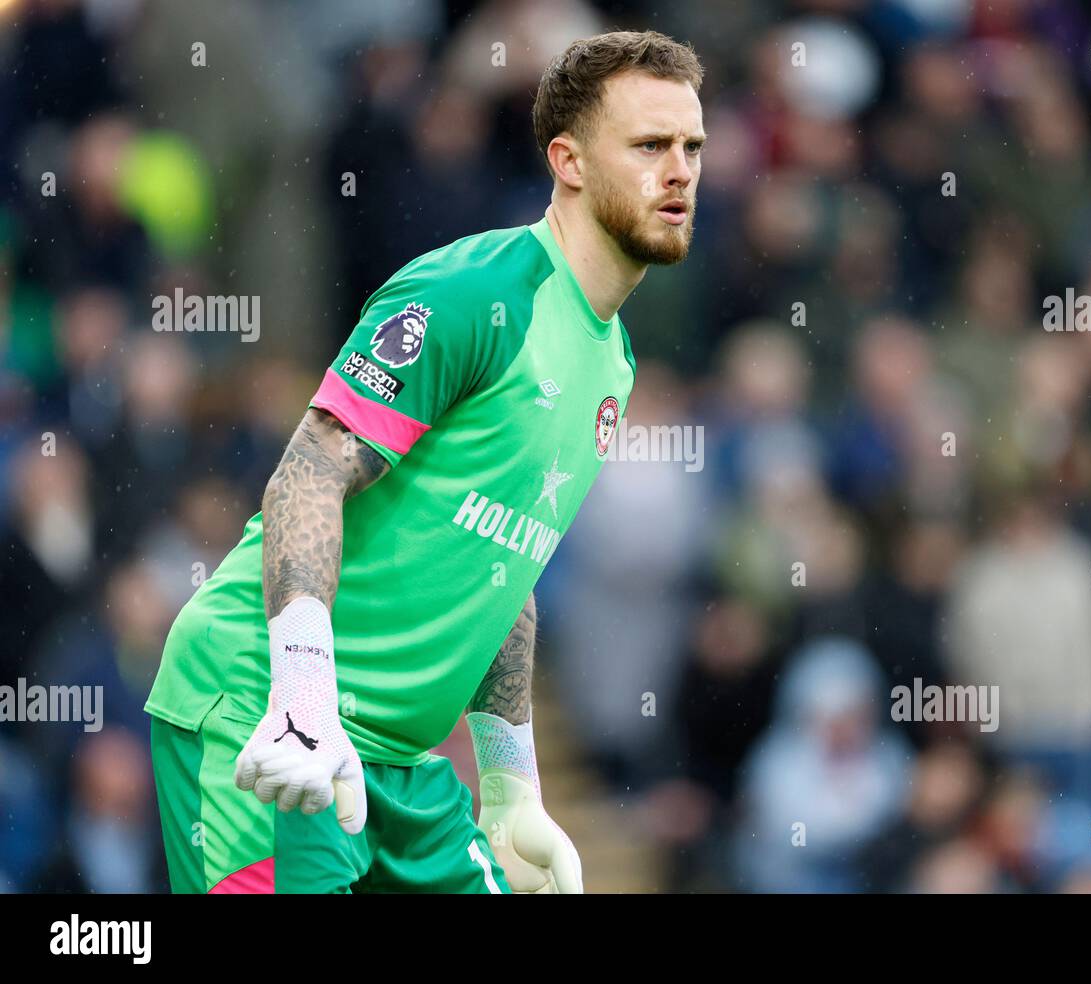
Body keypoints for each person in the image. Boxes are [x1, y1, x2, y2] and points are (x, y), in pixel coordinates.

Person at [143, 30, 706, 894]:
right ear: (570, 162)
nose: (679, 171)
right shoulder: (474, 293)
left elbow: (502, 564)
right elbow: (311, 469)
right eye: (648, 146)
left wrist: (513, 780)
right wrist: (299, 694)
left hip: (401, 762)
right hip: (263, 712)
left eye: (691, 147)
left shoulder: (614, 363)